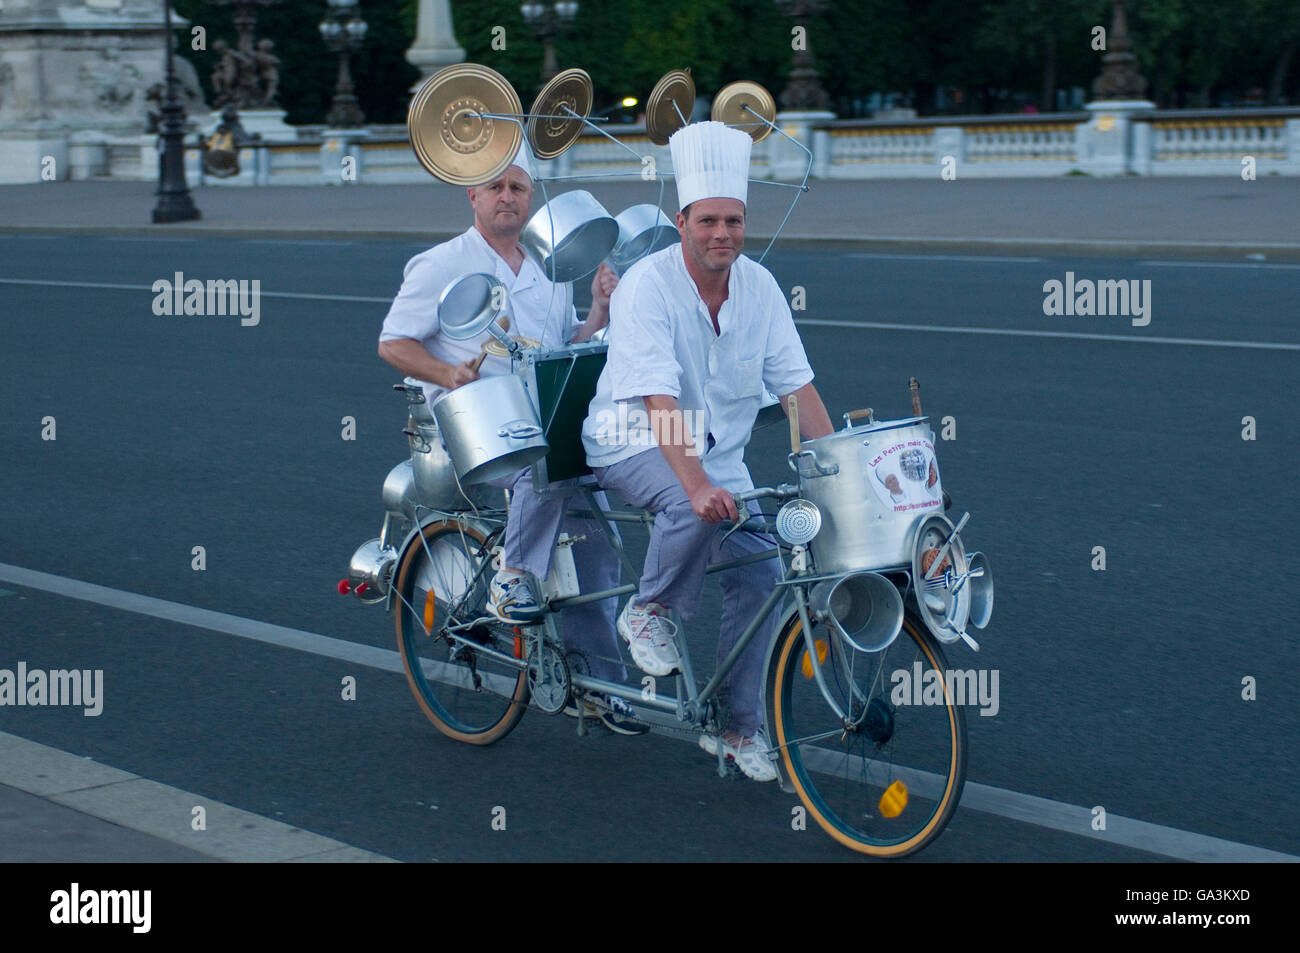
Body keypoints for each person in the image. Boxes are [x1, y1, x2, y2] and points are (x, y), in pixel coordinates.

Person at [582, 121, 835, 777]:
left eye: (734, 220)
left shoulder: (760, 287)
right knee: (693, 506)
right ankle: (650, 608)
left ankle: (734, 725)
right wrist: (695, 485)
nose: (722, 233)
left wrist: (841, 472)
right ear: (682, 219)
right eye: (708, 220)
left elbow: (797, 388)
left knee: (763, 570)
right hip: (629, 438)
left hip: (718, 459)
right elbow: (656, 402)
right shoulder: (646, 286)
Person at [377, 144, 643, 735]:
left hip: (543, 424)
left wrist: (599, 308)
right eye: (495, 187)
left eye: (517, 188)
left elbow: (562, 347)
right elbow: (393, 343)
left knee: (595, 548)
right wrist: (448, 374)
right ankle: (512, 575)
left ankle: (597, 685)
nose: (506, 197)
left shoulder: (549, 271)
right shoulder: (441, 263)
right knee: (541, 466)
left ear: (530, 200)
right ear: (472, 195)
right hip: (473, 428)